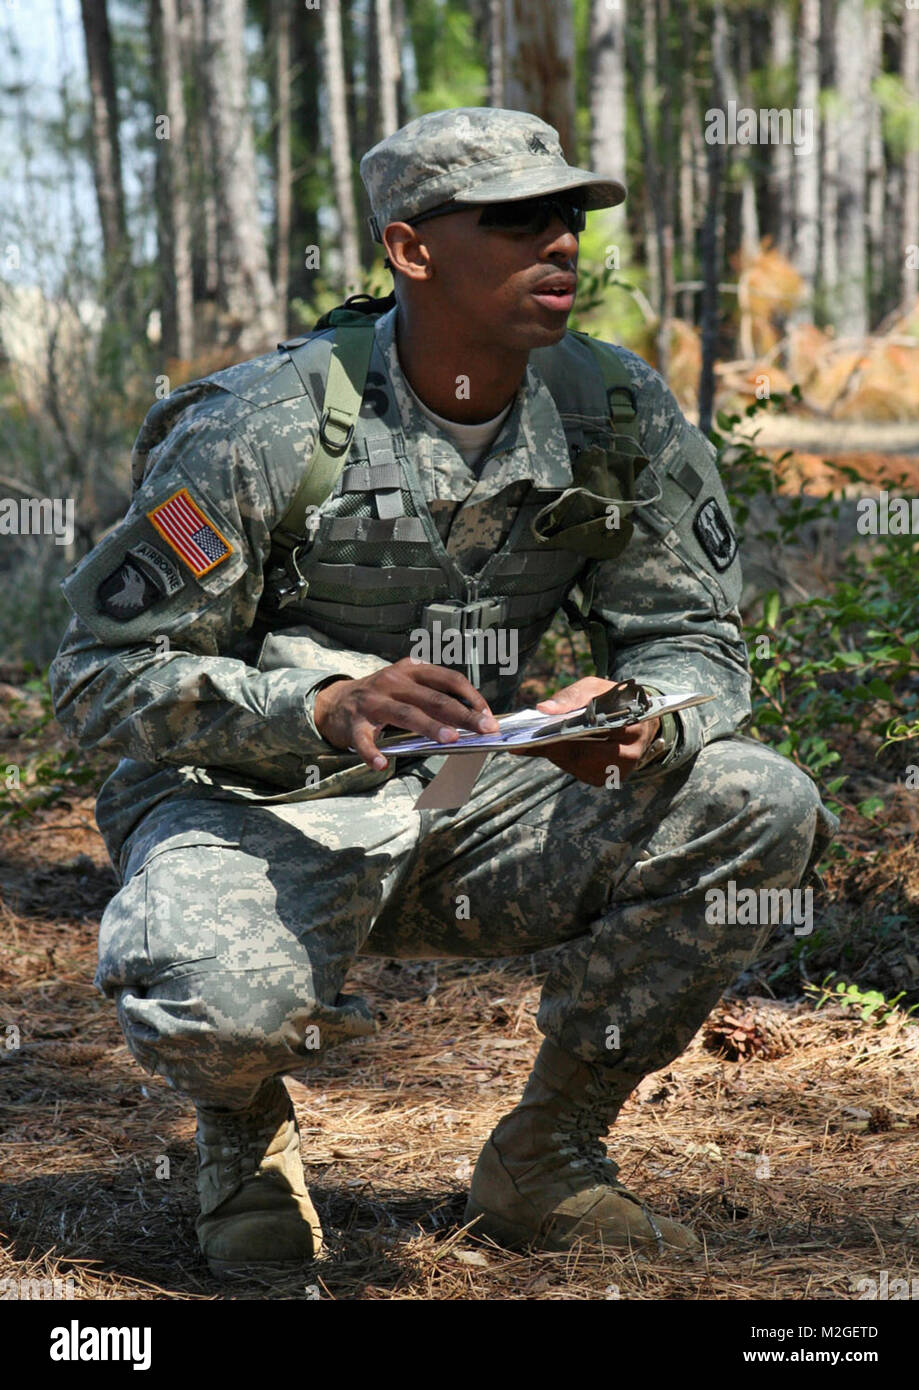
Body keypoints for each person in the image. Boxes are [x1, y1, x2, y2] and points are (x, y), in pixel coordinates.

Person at [49, 107, 837, 1280]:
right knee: (218, 1003)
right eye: (516, 220)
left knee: (756, 803)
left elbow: (696, 643)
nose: (561, 242)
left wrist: (631, 712)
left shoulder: (611, 413)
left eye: (569, 216)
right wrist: (313, 709)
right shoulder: (257, 428)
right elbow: (96, 677)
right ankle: (242, 1129)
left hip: (469, 805)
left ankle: (549, 1150)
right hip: (251, 810)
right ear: (411, 250)